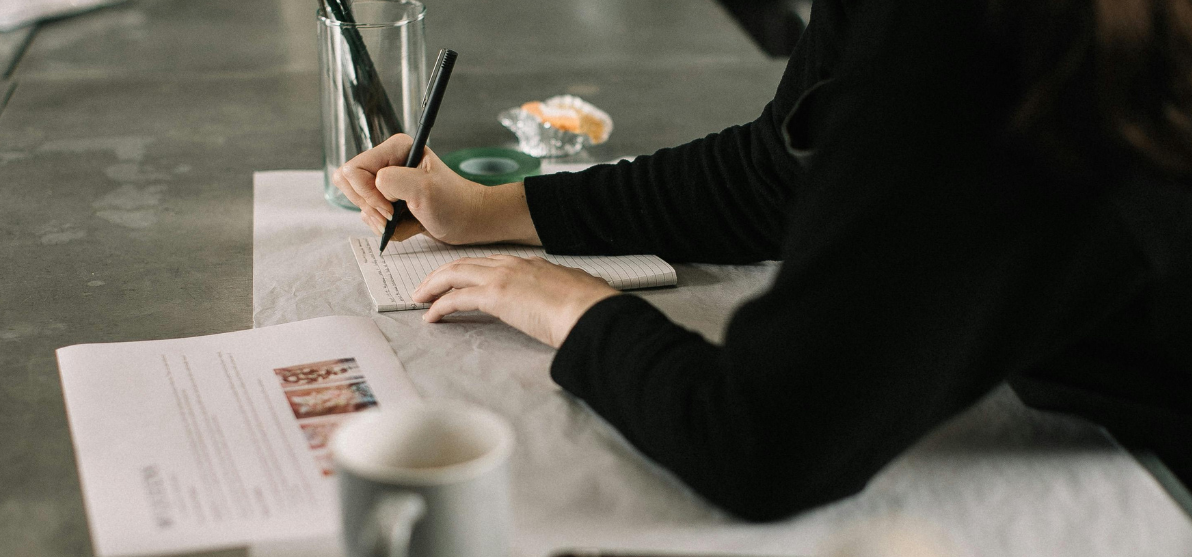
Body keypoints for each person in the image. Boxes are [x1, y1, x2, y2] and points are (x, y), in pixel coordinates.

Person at [333, 0, 1192, 521]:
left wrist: (571, 309)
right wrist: (505, 210)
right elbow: (783, 171)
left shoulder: (980, 33)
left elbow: (763, 442)